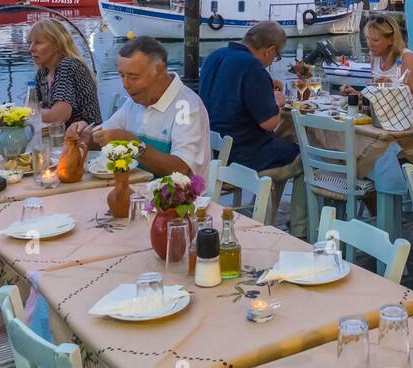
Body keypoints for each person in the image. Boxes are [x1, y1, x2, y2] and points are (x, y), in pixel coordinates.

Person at [199, 21, 307, 234]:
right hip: (243, 153)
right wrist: (277, 101)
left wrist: (265, 85)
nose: (271, 62)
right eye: (275, 57)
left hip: (212, 151)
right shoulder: (251, 66)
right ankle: (300, 228)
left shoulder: (215, 56)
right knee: (304, 155)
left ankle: (267, 210)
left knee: (282, 146)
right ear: (269, 50)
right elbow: (270, 123)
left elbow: (229, 94)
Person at [69, 36, 210, 178]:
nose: (125, 85)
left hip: (177, 198)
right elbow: (106, 135)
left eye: (134, 77)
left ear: (160, 71)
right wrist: (84, 135)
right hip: (138, 190)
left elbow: (181, 170)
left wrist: (131, 144)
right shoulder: (137, 100)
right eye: (122, 75)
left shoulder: (185, 107)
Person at [339, 16, 413, 110]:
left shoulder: (408, 59)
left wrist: (392, 88)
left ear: (390, 40)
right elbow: (377, 97)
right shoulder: (374, 57)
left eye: (375, 40)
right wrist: (356, 95)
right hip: (382, 116)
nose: (369, 44)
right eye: (367, 39)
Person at [29, 19, 102, 127]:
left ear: (57, 45)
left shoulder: (67, 66)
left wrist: (32, 113)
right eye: (30, 43)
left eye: (38, 43)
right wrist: (33, 111)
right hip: (59, 136)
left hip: (85, 139)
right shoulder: (43, 71)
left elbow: (59, 116)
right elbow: (32, 104)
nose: (31, 48)